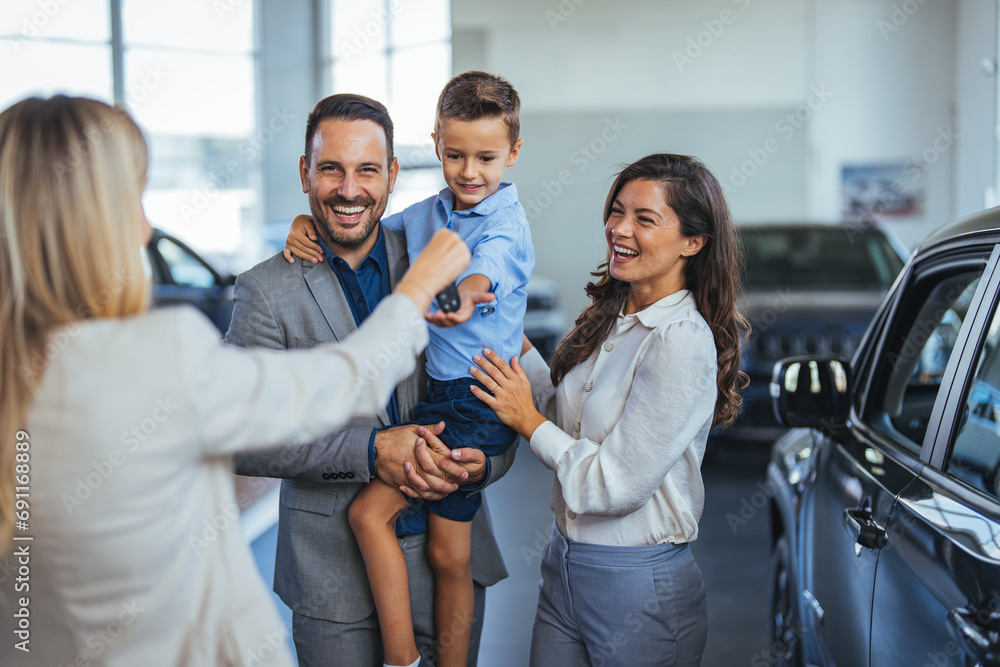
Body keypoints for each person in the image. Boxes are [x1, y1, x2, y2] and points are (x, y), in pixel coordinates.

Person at [0, 95, 472, 667]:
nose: (147, 227)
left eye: (367, 169)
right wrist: (417, 292)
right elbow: (345, 382)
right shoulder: (163, 351)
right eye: (133, 198)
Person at [230, 91, 517, 667]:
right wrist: (370, 450)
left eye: (367, 170)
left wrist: (486, 463)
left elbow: (495, 381)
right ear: (306, 173)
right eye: (330, 168)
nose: (349, 189)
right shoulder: (265, 289)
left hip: (451, 554)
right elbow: (244, 436)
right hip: (332, 578)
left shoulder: (438, 256)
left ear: (391, 175)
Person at [470, 154, 748, 667]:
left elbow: (612, 485)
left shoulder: (680, 342)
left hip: (639, 584)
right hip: (564, 564)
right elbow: (563, 418)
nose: (619, 229)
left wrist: (526, 421)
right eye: (616, 211)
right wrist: (502, 328)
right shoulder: (611, 319)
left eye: (644, 218)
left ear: (693, 242)